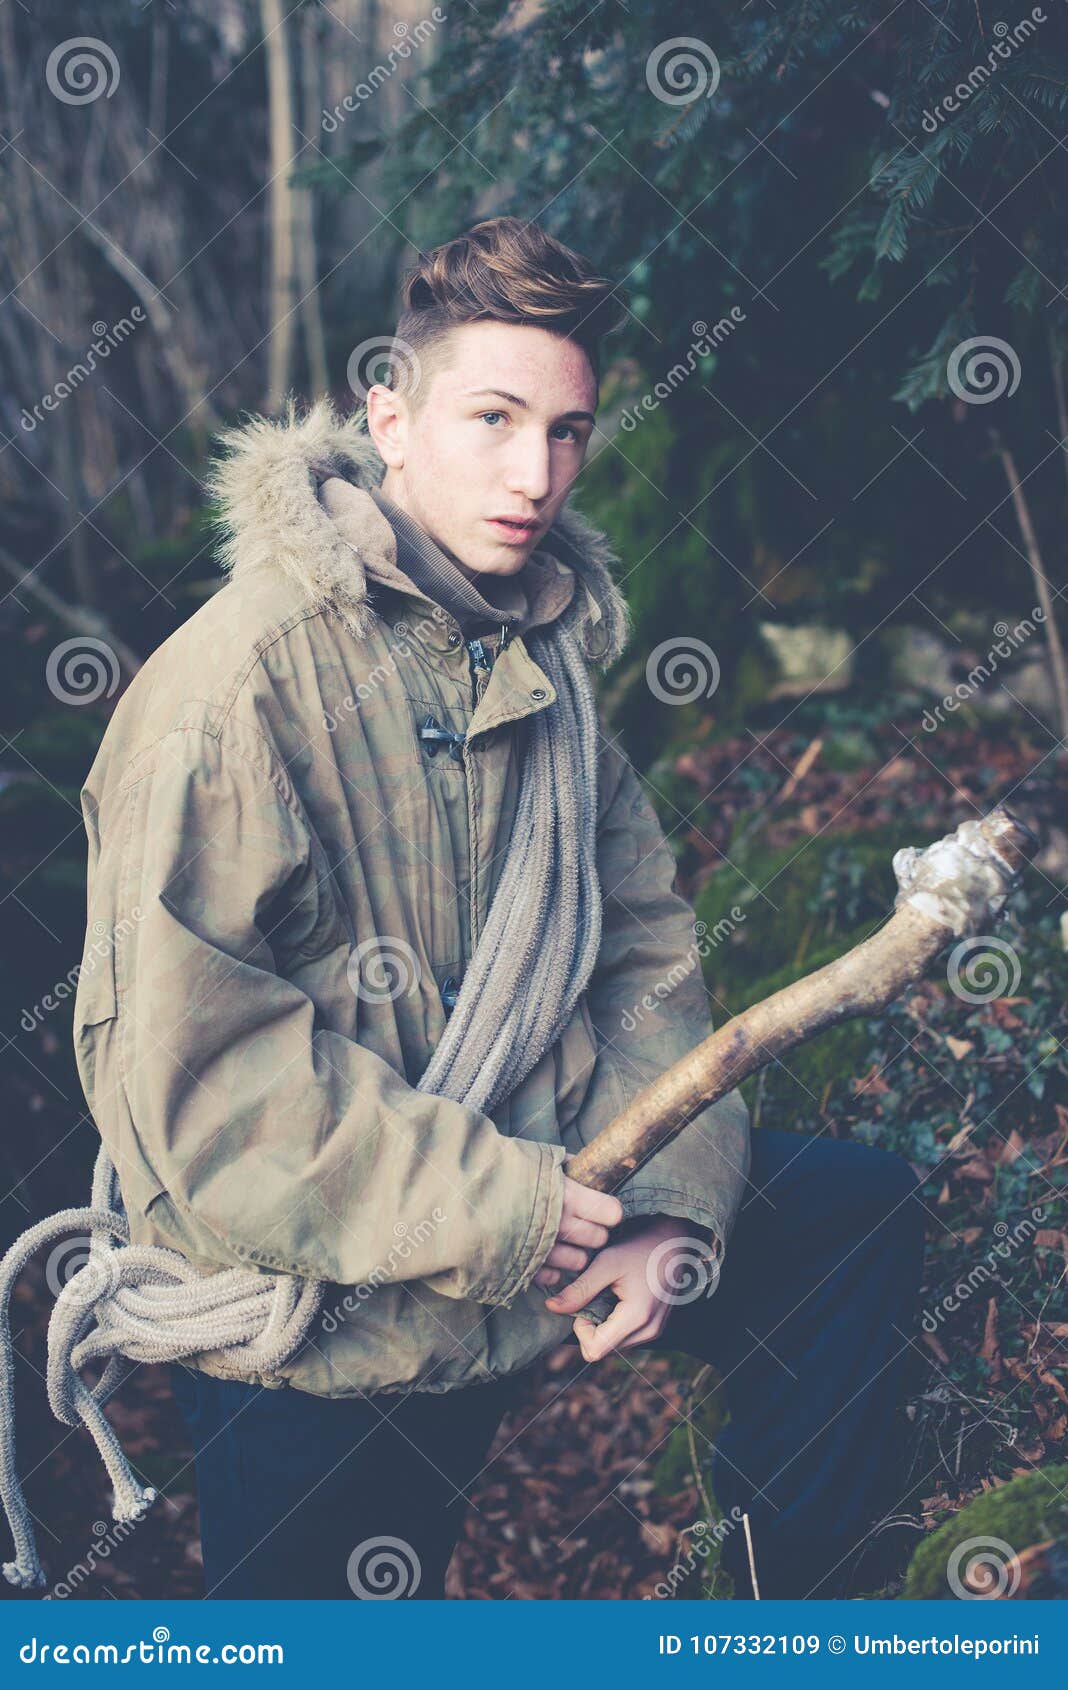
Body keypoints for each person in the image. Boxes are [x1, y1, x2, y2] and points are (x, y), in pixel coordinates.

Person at [72, 216, 926, 1602]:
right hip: (330, 1306)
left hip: (554, 1204)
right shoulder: (232, 690)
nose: (537, 474)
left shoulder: (542, 662)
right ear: (389, 414)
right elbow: (201, 1083)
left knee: (852, 1217)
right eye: (494, 418)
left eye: (571, 432)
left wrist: (663, 1209)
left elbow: (645, 945)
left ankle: (791, 1621)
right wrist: (516, 1210)